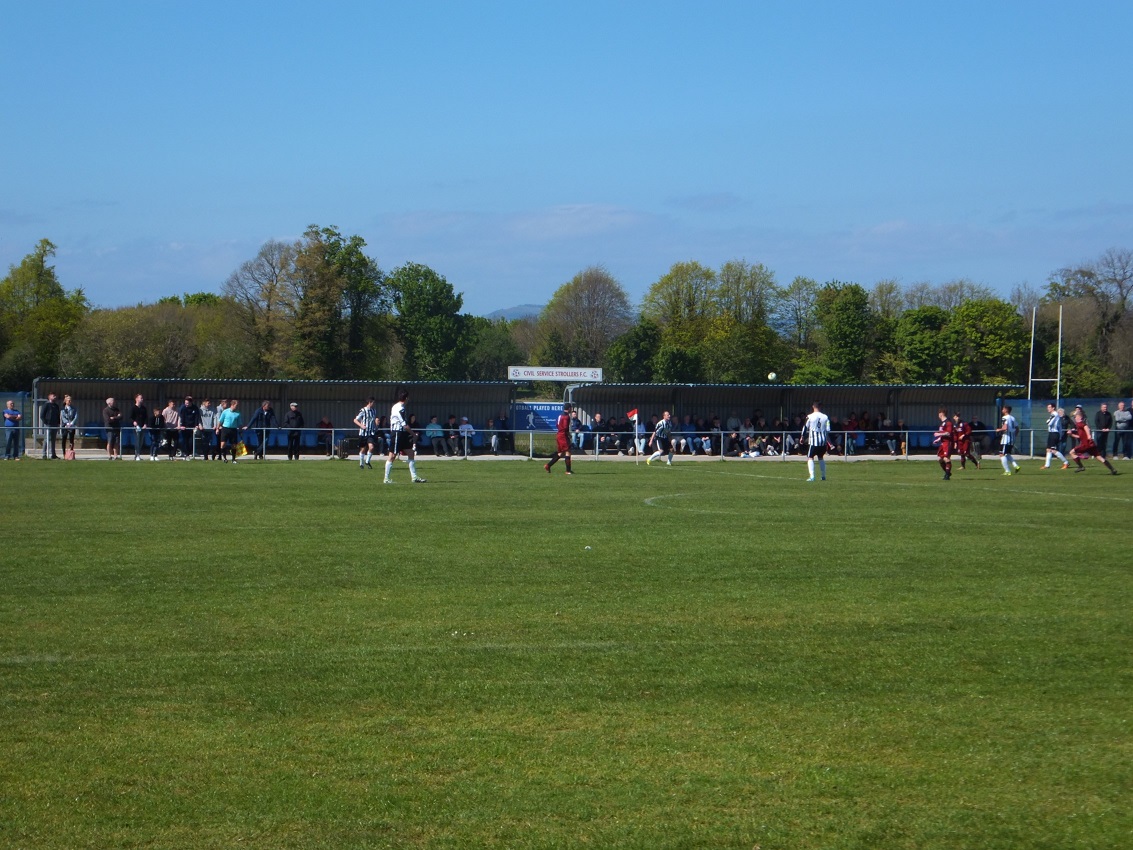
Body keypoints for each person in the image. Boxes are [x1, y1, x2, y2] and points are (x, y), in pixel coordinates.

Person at [384, 390, 426, 484]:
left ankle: (414, 477)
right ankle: (386, 478)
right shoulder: (400, 408)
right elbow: (405, 425)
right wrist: (413, 434)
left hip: (402, 434)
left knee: (411, 453)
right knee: (392, 456)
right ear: (406, 398)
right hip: (397, 433)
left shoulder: (398, 406)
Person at [803, 401, 830, 482]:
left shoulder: (809, 416)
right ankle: (823, 476)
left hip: (813, 441)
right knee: (821, 457)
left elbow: (805, 427)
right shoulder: (825, 417)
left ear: (813, 406)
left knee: (810, 457)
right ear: (820, 407)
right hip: (823, 441)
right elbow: (828, 429)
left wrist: (802, 436)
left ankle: (812, 476)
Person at [544, 403, 573, 475]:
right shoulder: (567, 417)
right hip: (563, 435)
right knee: (568, 452)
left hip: (559, 434)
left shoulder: (560, 415)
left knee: (561, 453)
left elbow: (557, 424)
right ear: (569, 408)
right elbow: (566, 427)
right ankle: (568, 471)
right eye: (571, 408)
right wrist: (568, 434)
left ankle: (548, 466)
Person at [1040, 402, 1069, 470]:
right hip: (1051, 433)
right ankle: (1047, 465)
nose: (1048, 408)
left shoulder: (1055, 414)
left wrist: (1048, 421)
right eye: (1048, 407)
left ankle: (1066, 462)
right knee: (1048, 449)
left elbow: (1049, 423)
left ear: (1053, 408)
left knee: (1053, 450)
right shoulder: (1052, 414)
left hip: (1054, 433)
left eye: (1049, 407)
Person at [354, 397, 378, 469]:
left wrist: (376, 425)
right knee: (363, 449)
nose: (374, 404)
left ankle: (367, 461)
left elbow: (373, 421)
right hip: (363, 433)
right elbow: (355, 420)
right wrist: (361, 425)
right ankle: (361, 463)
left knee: (371, 447)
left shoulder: (374, 411)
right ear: (370, 402)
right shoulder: (363, 410)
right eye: (373, 402)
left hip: (370, 433)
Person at [996, 405, 1021, 476]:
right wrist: (1014, 436)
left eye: (1003, 409)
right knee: (1007, 454)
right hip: (1012, 438)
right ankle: (1016, 466)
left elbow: (1005, 428)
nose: (1002, 410)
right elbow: (1017, 428)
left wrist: (999, 430)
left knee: (1001, 454)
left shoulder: (1004, 418)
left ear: (1006, 410)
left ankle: (1007, 471)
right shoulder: (1012, 418)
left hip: (1006, 438)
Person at [933, 408, 954, 480]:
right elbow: (944, 434)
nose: (938, 415)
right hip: (943, 443)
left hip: (948, 443)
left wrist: (938, 434)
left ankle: (947, 476)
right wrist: (938, 439)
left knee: (946, 458)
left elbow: (948, 433)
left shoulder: (948, 423)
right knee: (940, 459)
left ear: (941, 413)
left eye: (939, 413)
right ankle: (947, 472)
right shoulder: (942, 423)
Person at [41, 392, 61, 459]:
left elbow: (58, 415)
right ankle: (44, 454)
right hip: (48, 424)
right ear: (49, 397)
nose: (55, 397)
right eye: (53, 396)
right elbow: (42, 415)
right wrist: (46, 422)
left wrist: (58, 423)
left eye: (55, 396)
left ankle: (53, 454)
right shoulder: (46, 405)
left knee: (53, 440)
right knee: (46, 439)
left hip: (55, 424)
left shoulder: (56, 406)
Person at [129, 394, 148, 461]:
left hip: (142, 427)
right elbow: (131, 417)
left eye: (142, 398)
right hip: (136, 427)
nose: (142, 399)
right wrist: (134, 422)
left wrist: (145, 424)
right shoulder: (133, 408)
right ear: (136, 399)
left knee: (141, 441)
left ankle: (138, 454)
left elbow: (146, 417)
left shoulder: (144, 408)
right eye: (141, 398)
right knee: (137, 441)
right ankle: (137, 455)